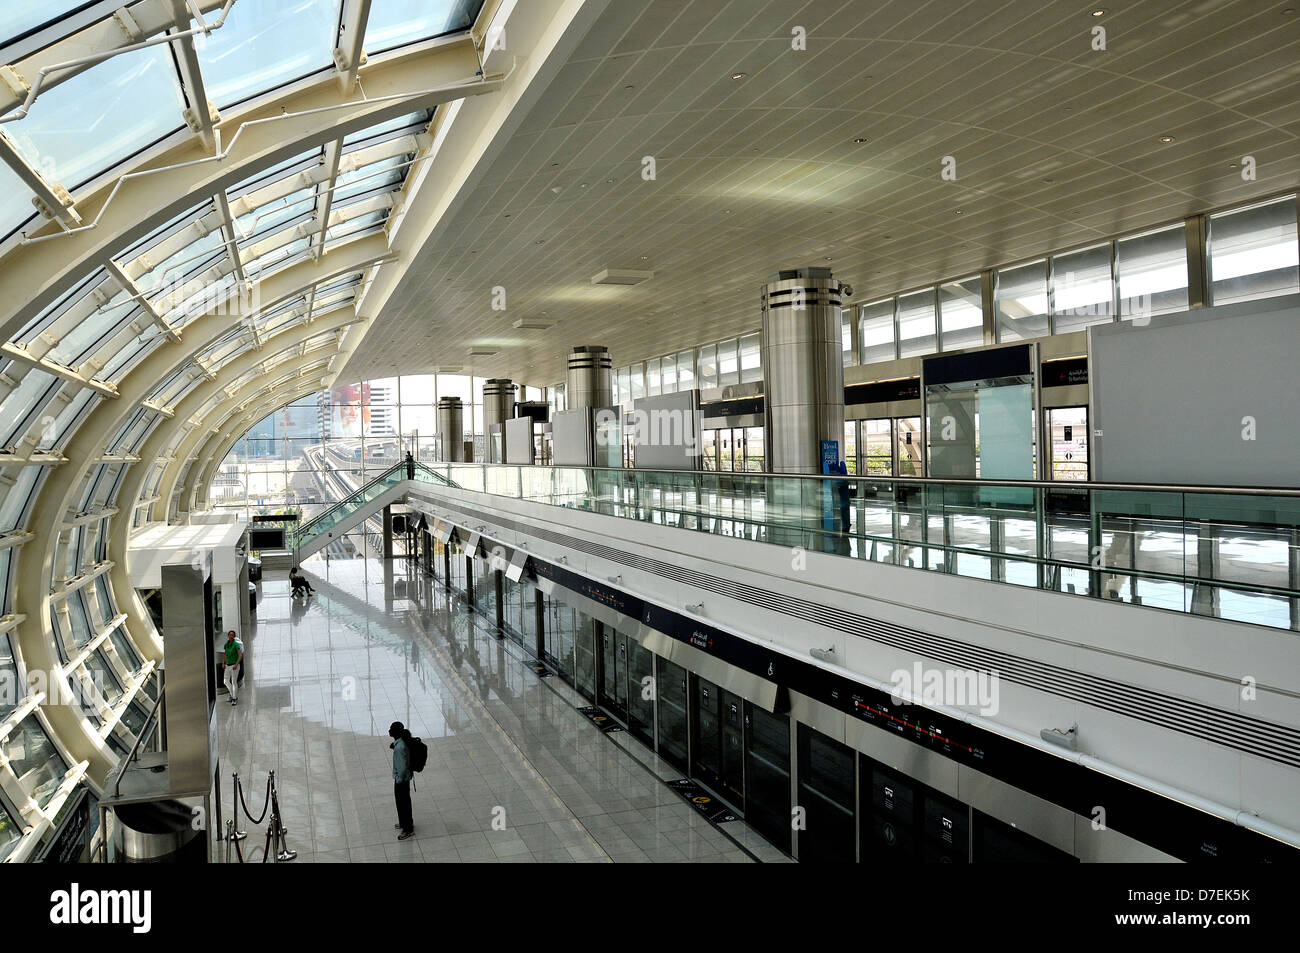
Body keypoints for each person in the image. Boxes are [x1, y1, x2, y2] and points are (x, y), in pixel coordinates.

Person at [389, 721, 414, 840]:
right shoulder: (401, 742)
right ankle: (404, 823)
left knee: (403, 803)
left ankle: (407, 829)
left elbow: (402, 768)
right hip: (405, 778)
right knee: (403, 803)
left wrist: (399, 779)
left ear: (395, 732)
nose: (389, 731)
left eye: (391, 729)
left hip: (402, 780)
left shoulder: (399, 747)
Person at [223, 630, 243, 706]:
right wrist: (223, 662)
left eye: (232, 635)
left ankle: (234, 698)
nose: (231, 636)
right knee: (225, 681)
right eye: (230, 635)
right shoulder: (226, 644)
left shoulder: (236, 645)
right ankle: (232, 694)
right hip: (227, 665)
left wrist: (236, 664)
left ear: (234, 636)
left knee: (234, 681)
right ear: (228, 636)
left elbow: (240, 655)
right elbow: (225, 654)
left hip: (234, 666)